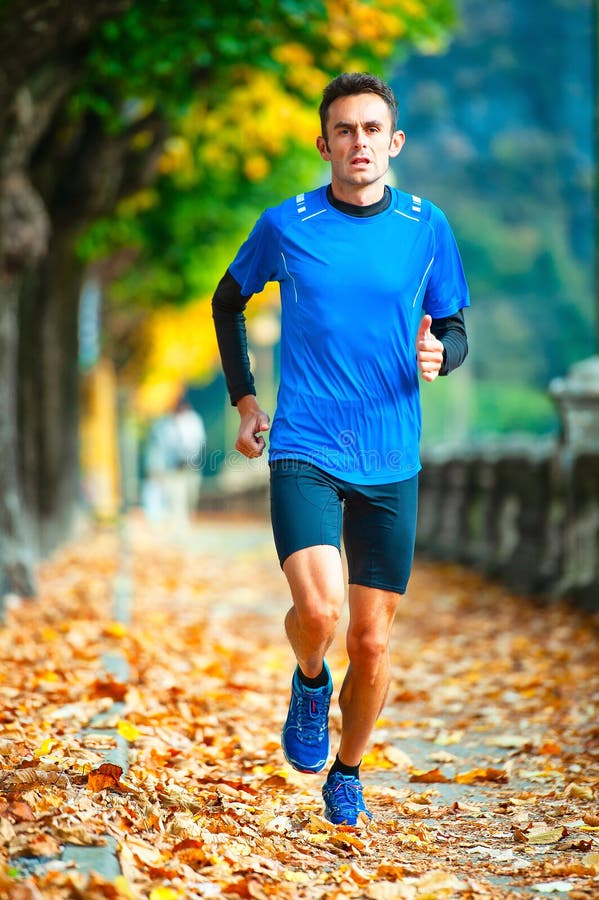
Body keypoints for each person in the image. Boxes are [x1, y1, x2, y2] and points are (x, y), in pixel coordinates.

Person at [212, 72, 469, 825]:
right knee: (319, 614)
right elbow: (229, 301)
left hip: (393, 456)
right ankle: (307, 677)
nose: (358, 143)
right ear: (324, 143)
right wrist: (246, 398)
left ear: (393, 143)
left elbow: (453, 327)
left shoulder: (427, 227)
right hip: (307, 443)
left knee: (372, 638)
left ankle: (347, 770)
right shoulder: (286, 224)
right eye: (344, 131)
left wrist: (440, 357)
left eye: (371, 130)